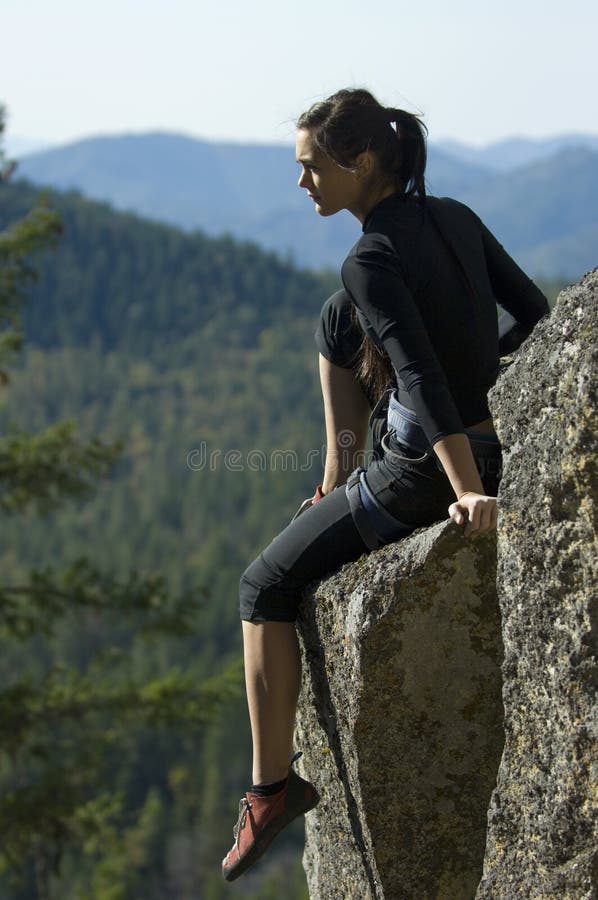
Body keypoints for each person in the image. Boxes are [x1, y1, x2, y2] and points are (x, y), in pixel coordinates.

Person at [221, 88, 549, 882]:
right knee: (337, 323)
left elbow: (420, 377)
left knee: (263, 583)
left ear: (361, 162)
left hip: (424, 473)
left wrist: (464, 487)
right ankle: (336, 471)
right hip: (480, 437)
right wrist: (491, 390)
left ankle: (269, 789)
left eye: (312, 168)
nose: (303, 184)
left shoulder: (370, 259)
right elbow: (534, 311)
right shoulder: (457, 217)